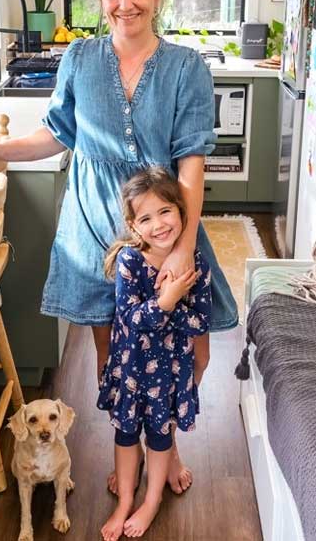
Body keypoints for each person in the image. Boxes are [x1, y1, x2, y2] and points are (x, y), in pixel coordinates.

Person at [0, 0, 237, 496]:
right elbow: (57, 135)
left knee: (189, 350)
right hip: (93, 229)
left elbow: (191, 167)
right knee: (116, 357)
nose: (125, 3)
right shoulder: (80, 60)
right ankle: (134, 454)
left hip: (162, 226)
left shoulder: (186, 68)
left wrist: (180, 248)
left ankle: (166, 440)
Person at [98, 166, 209, 541]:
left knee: (160, 439)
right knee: (126, 436)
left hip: (170, 372)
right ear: (133, 226)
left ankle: (151, 500)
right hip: (131, 370)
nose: (159, 224)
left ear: (181, 212)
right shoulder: (130, 262)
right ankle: (125, 500)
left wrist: (172, 302)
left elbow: (198, 324)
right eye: (146, 217)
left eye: (165, 211)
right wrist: (166, 300)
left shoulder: (196, 267)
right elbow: (130, 319)